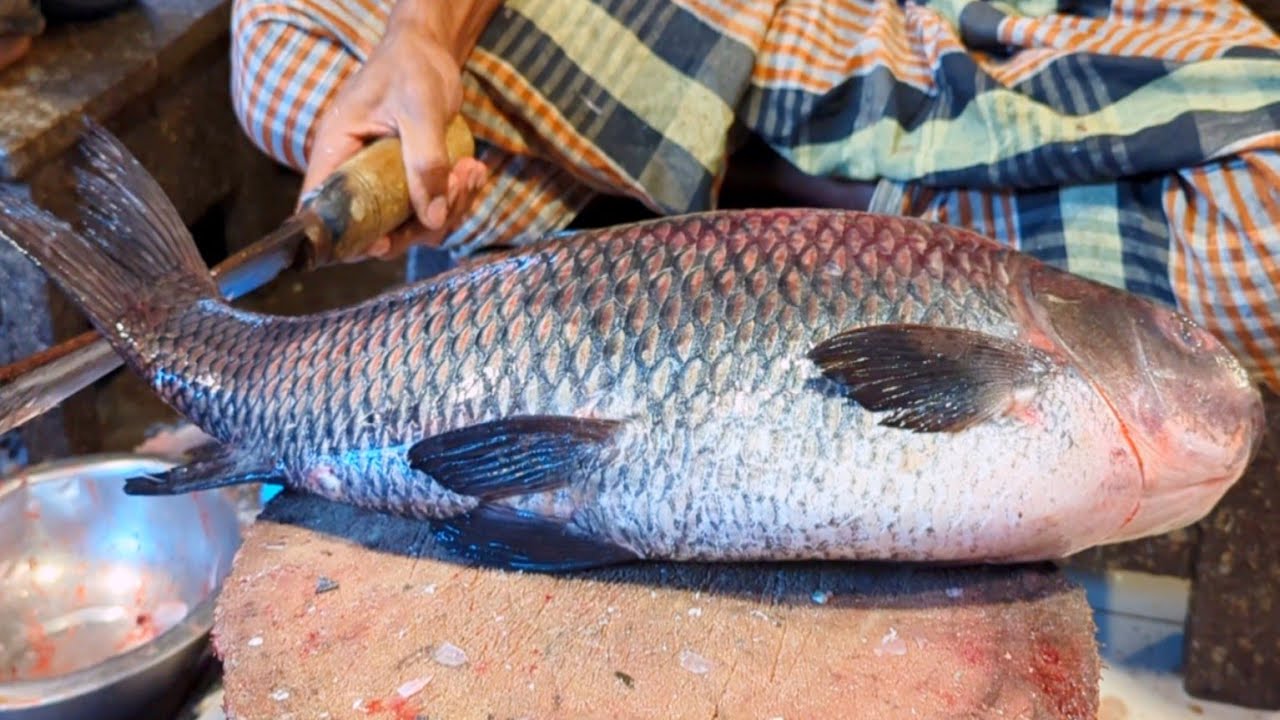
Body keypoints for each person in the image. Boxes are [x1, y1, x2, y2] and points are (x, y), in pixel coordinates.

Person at [230, 0, 1280, 393]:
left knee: (1264, 238)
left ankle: (838, 245)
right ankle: (663, 255)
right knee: (283, 38)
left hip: (939, 39)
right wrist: (421, 35)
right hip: (723, 32)